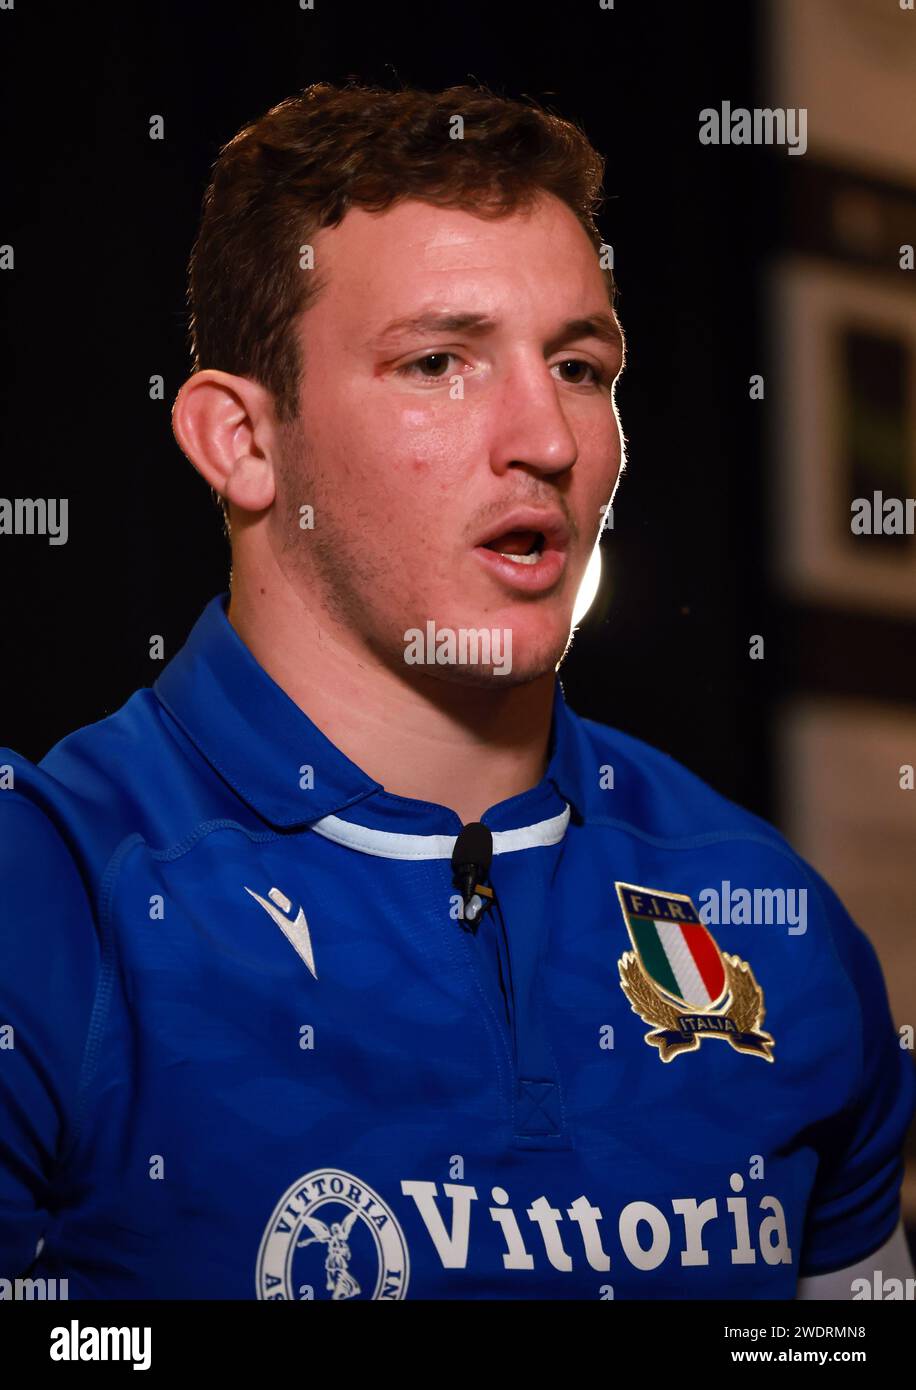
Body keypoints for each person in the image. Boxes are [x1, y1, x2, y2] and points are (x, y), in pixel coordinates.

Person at [1, 81, 913, 1302]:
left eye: (580, 366)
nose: (545, 435)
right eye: (439, 361)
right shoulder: (51, 896)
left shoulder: (767, 911)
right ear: (243, 442)